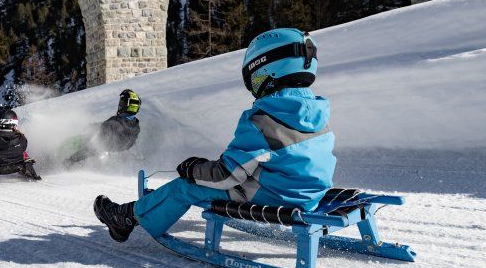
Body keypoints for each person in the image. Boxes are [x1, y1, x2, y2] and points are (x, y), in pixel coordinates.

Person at [93, 28, 335, 242]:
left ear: (266, 70)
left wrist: (194, 169)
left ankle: (126, 217)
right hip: (310, 195)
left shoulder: (262, 120)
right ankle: (148, 207)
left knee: (185, 187)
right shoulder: (316, 112)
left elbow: (226, 176)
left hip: (276, 198)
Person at [64, 89, 142, 166]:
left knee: (70, 143)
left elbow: (94, 147)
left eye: (122, 102)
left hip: (94, 160)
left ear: (126, 105)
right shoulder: (135, 126)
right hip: (117, 160)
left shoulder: (112, 125)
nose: (120, 105)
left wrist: (72, 159)